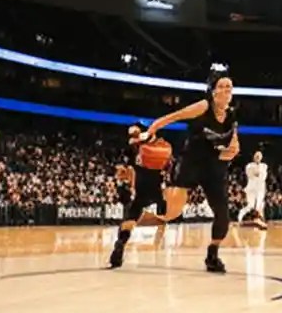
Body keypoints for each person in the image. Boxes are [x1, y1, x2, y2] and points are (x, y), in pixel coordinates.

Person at [143, 74, 240, 273]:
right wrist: (152, 128)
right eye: (222, 86)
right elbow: (175, 116)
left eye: (229, 86)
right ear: (213, 91)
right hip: (191, 162)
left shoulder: (232, 116)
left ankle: (212, 255)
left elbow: (234, 145)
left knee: (223, 216)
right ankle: (137, 218)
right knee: (172, 213)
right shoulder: (204, 106)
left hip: (214, 167)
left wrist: (231, 151)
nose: (226, 90)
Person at [108, 123, 173, 268]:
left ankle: (121, 242)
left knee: (131, 218)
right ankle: (159, 236)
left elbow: (123, 169)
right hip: (156, 186)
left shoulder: (133, 149)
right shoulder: (163, 146)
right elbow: (168, 166)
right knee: (164, 216)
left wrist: (125, 181)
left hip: (141, 186)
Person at [238, 151, 269, 229]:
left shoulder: (264, 166)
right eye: (256, 156)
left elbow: (263, 177)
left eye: (259, 156)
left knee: (259, 205)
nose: (258, 158)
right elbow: (253, 174)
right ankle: (240, 217)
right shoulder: (249, 166)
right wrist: (257, 170)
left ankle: (260, 220)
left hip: (260, 188)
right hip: (251, 189)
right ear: (254, 157)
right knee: (250, 206)